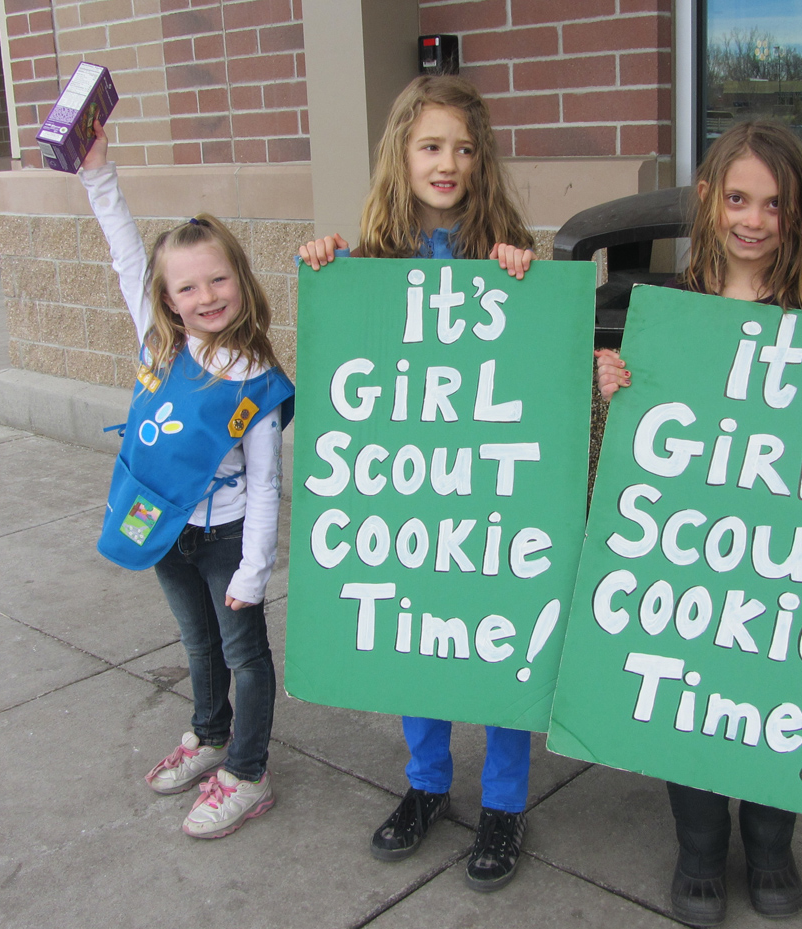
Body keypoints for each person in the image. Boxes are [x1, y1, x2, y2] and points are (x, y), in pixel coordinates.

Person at [595, 120, 802, 925]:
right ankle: (702, 844)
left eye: (773, 204)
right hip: (694, 542)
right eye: (739, 199)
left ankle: (773, 840)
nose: (754, 219)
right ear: (709, 201)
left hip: (787, 542)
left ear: (796, 212)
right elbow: (635, 442)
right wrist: (618, 385)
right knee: (694, 685)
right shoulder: (673, 307)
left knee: (779, 680)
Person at [298, 74, 536, 891]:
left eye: (464, 150)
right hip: (409, 486)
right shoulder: (372, 263)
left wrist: (522, 275)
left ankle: (505, 800)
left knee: (501, 633)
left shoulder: (505, 254)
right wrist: (328, 267)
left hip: (491, 486)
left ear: (481, 162)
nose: (448, 163)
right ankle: (427, 782)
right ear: (401, 153)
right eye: (432, 146)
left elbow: (537, 354)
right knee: (415, 630)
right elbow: (347, 358)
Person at [79, 122, 293, 840]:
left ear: (242, 279)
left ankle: (248, 767)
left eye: (219, 278)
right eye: (188, 285)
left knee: (243, 654)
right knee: (197, 646)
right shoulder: (160, 340)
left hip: (230, 536)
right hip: (165, 529)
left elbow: (265, 484)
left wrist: (255, 568)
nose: (206, 295)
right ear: (167, 299)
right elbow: (124, 255)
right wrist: (97, 173)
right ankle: (207, 733)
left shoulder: (255, 380)